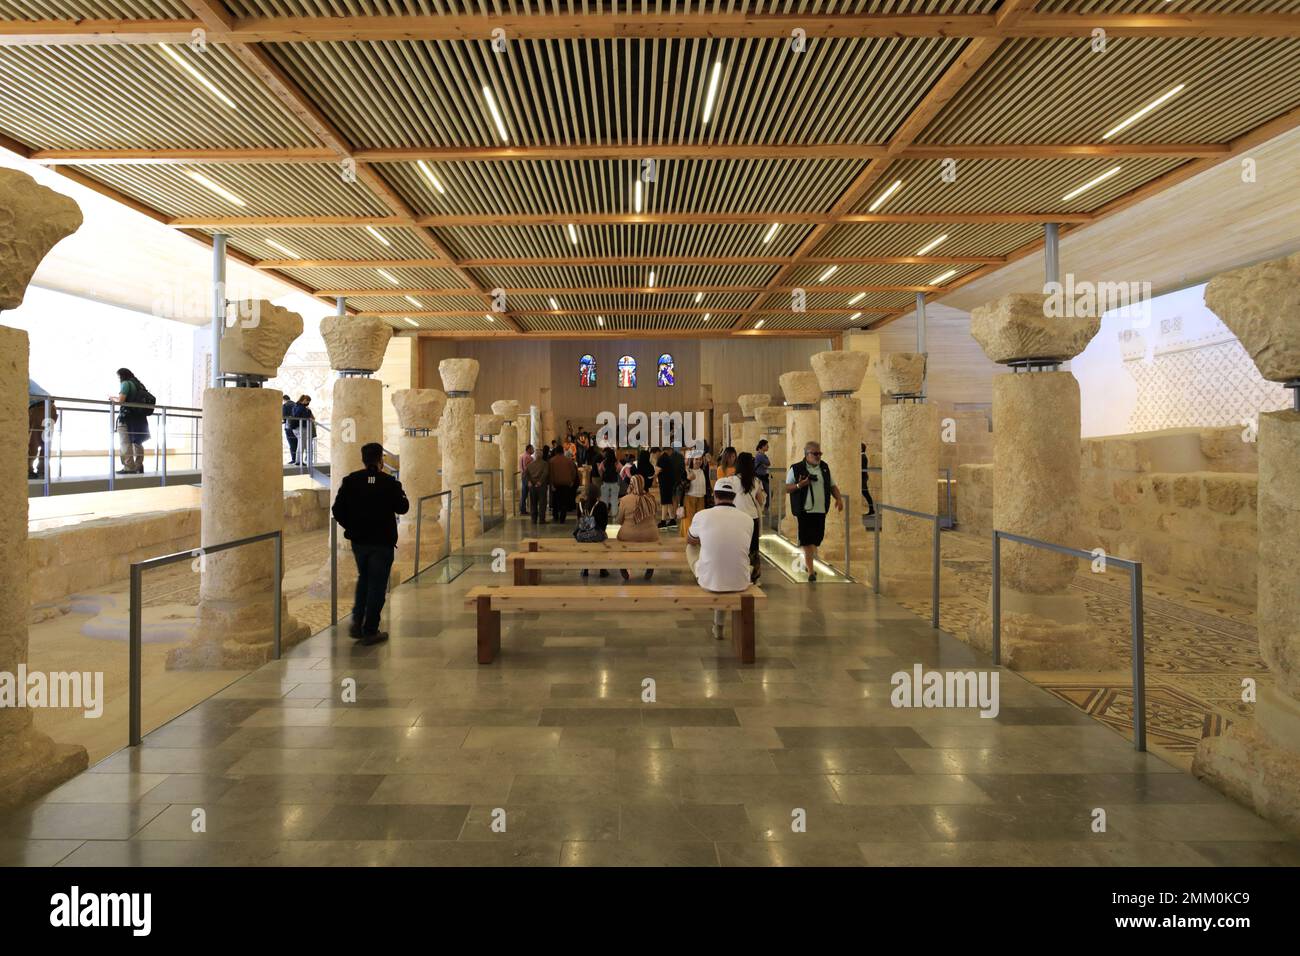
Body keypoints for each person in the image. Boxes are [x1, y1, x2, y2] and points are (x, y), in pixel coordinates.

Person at [331, 442, 410, 645]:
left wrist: (351, 526)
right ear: (381, 460)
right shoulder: (388, 482)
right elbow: (403, 508)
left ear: (363, 459)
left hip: (360, 541)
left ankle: (357, 622)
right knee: (377, 585)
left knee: (364, 579)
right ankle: (370, 629)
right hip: (382, 542)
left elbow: (337, 509)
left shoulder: (351, 481)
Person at [687, 476, 757, 639]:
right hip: (740, 580)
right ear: (734, 497)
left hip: (709, 579)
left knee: (693, 549)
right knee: (727, 559)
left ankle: (718, 625)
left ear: (714, 496)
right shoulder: (748, 519)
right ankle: (718, 625)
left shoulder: (702, 515)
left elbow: (690, 540)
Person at [785, 441, 844, 582]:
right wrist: (801, 484)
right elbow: (787, 488)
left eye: (820, 453)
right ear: (807, 454)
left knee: (816, 540)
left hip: (820, 510)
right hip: (804, 511)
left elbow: (832, 485)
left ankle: (808, 561)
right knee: (807, 540)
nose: (818, 456)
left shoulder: (824, 467)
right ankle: (811, 571)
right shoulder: (796, 468)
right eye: (815, 454)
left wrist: (839, 498)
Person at [616, 473, 660, 579]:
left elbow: (619, 520)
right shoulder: (651, 499)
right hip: (650, 535)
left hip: (628, 535)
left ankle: (623, 567)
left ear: (631, 484)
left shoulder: (625, 500)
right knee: (651, 543)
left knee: (619, 540)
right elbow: (654, 517)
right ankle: (650, 567)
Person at [734, 451, 768, 583]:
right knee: (753, 549)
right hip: (752, 518)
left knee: (738, 546)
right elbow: (760, 500)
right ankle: (754, 577)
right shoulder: (756, 481)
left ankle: (738, 574)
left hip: (736, 518)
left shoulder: (732, 480)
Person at [112, 368, 151, 475]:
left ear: (122, 375)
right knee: (138, 442)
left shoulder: (126, 384)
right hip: (139, 417)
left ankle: (129, 467)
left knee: (125, 442)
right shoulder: (139, 384)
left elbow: (121, 400)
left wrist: (112, 398)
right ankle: (139, 466)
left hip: (127, 417)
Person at [575, 480, 611, 578]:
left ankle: (585, 569)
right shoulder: (601, 505)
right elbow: (604, 523)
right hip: (596, 534)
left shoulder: (580, 504)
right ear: (598, 493)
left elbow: (578, 520)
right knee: (603, 540)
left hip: (582, 535)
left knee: (586, 546)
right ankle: (602, 569)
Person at [28, 378, 56, 479]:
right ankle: (43, 472)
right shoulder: (27, 379)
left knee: (33, 442)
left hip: (39, 407)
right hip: (50, 406)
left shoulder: (18, 379)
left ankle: (28, 471)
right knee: (46, 442)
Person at [679, 450, 708, 539]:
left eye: (700, 459)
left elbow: (708, 486)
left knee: (700, 520)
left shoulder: (703, 471)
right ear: (692, 460)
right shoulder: (687, 471)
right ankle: (687, 538)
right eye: (696, 459)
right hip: (689, 498)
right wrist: (688, 479)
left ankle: (697, 538)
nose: (698, 461)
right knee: (688, 520)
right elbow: (680, 488)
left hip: (701, 499)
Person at [549, 446, 578, 523]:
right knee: (564, 502)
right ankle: (562, 518)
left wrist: (551, 484)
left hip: (556, 484)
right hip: (566, 484)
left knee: (555, 501)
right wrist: (572, 481)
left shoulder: (552, 461)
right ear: (563, 451)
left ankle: (555, 517)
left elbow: (550, 473)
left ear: (556, 452)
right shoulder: (569, 461)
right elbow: (573, 472)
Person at [526, 444, 551, 524]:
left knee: (533, 503)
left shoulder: (530, 464)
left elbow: (526, 474)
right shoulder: (545, 464)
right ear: (542, 455)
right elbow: (545, 473)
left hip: (532, 486)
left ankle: (533, 520)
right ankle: (541, 520)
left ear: (535, 456)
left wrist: (529, 481)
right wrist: (540, 482)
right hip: (541, 486)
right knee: (542, 503)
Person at [291, 395, 316, 466]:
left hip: (296, 427)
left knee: (301, 444)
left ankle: (300, 460)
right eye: (308, 401)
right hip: (301, 427)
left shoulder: (295, 406)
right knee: (301, 445)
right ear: (304, 400)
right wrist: (308, 413)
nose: (308, 403)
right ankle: (299, 461)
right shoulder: (301, 407)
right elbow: (301, 416)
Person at [597, 447, 621, 513]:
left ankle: (604, 513)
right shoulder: (616, 462)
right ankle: (614, 513)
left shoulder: (603, 462)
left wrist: (602, 476)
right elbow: (620, 469)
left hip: (605, 482)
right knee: (614, 499)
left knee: (604, 499)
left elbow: (599, 470)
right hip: (614, 482)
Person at [755, 439, 772, 514]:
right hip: (760, 477)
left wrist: (765, 464)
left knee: (769, 493)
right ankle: (763, 509)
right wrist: (765, 464)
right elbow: (767, 463)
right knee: (768, 493)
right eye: (766, 445)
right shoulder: (760, 456)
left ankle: (764, 508)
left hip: (763, 477)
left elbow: (768, 463)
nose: (768, 447)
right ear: (762, 446)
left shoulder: (763, 455)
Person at [861, 442, 877, 517]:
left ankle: (872, 509)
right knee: (865, 493)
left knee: (866, 493)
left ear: (861, 449)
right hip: (862, 478)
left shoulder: (863, 457)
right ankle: (872, 509)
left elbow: (862, 469)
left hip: (863, 478)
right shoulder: (862, 456)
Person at [282, 394, 299, 464]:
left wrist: (283, 421)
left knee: (291, 444)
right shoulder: (295, 404)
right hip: (297, 426)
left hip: (289, 426)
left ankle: (294, 459)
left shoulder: (285, 405)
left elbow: (283, 416)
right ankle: (298, 459)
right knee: (298, 443)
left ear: (283, 400)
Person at [518, 443, 535, 515]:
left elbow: (522, 467)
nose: (533, 450)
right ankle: (526, 509)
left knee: (523, 493)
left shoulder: (521, 456)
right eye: (532, 449)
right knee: (530, 493)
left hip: (523, 475)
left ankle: (522, 509)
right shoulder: (529, 458)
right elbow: (529, 468)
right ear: (528, 449)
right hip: (528, 476)